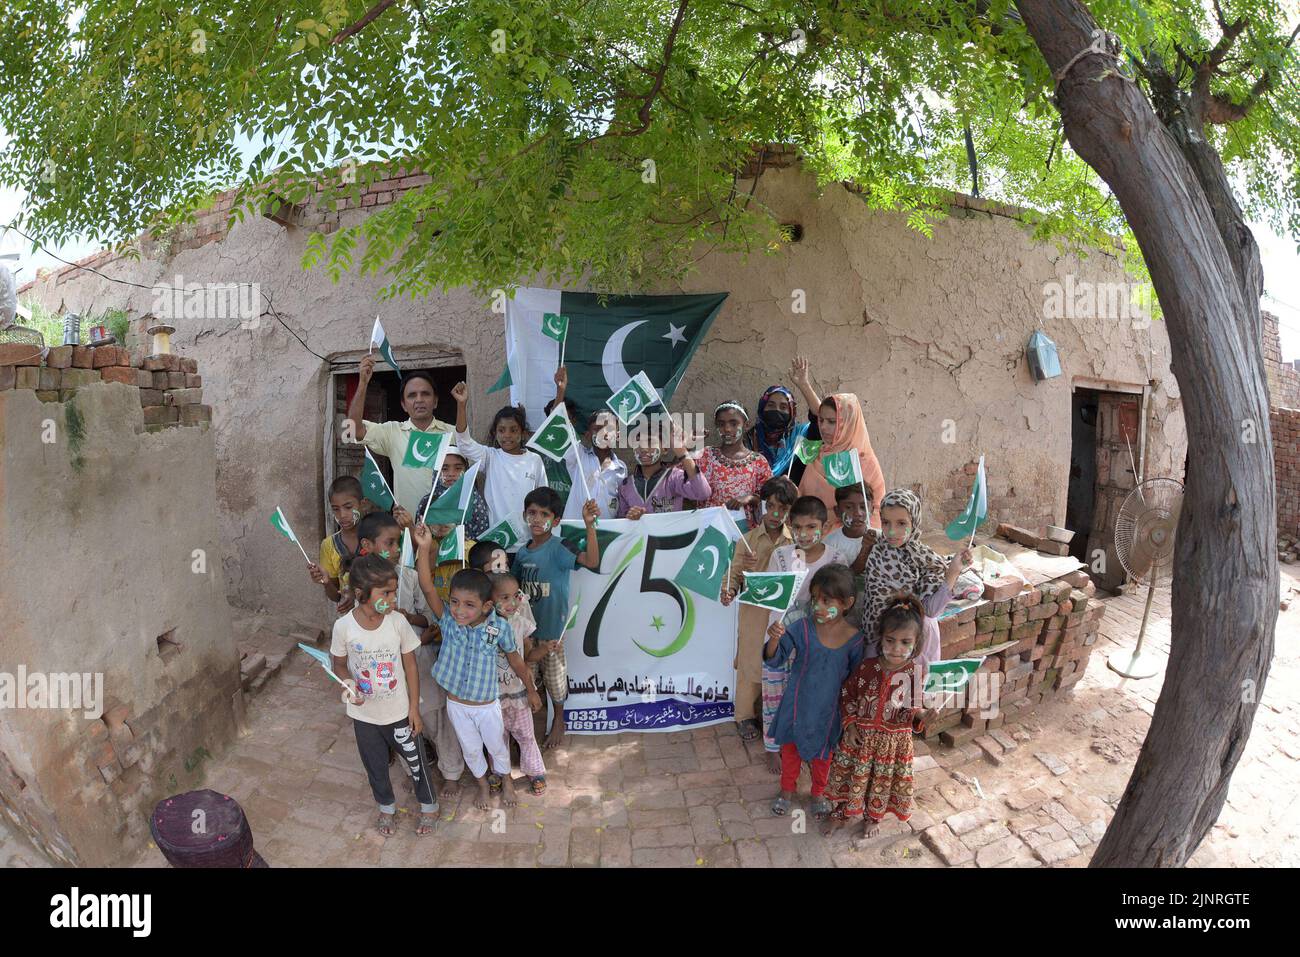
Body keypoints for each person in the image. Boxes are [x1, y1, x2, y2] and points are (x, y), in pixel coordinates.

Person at [411, 535, 538, 811]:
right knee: (470, 749)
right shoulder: (449, 621)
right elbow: (427, 586)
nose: (458, 610)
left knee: (497, 747)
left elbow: (516, 661)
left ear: (486, 607)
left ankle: (505, 782)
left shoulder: (499, 629)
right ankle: (482, 785)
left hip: (487, 706)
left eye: (469, 605)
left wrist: (530, 688)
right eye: (455, 602)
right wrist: (423, 548)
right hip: (456, 704)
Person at [329, 555, 438, 837]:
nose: (392, 599)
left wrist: (414, 708)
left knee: (417, 764)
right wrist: (348, 684)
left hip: (400, 712)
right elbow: (338, 664)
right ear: (360, 594)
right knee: (375, 765)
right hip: (363, 716)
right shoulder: (343, 627)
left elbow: (410, 665)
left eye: (393, 591)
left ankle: (429, 806)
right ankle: (386, 807)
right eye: (386, 593)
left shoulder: (397, 622)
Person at [823, 593, 935, 842]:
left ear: (915, 645)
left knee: (880, 784)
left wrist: (926, 714)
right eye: (890, 640)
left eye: (905, 642)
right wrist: (850, 726)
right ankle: (841, 812)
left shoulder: (914, 674)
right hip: (859, 741)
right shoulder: (867, 668)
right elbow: (847, 694)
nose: (897, 648)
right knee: (850, 778)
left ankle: (872, 818)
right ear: (880, 639)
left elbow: (913, 708)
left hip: (891, 747)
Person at [758, 495, 857, 770]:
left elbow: (840, 596)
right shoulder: (781, 556)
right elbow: (770, 595)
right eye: (798, 527)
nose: (804, 534)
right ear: (790, 526)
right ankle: (771, 745)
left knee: (804, 695)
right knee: (775, 692)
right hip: (780, 632)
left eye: (812, 527)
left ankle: (804, 743)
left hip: (815, 640)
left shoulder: (836, 558)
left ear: (824, 527)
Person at [763, 564, 866, 818]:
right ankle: (786, 791)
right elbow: (774, 658)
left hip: (828, 712)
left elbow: (854, 680)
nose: (818, 606)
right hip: (797, 705)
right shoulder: (801, 628)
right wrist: (774, 639)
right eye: (815, 599)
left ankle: (818, 793)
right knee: (790, 752)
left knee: (823, 756)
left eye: (826, 600)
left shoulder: (856, 640)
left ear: (847, 603)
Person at [512, 487, 603, 749]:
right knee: (527, 678)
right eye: (532, 513)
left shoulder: (560, 546)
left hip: (552, 632)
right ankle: (526, 728)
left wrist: (590, 526)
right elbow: (514, 589)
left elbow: (592, 560)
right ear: (524, 515)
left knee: (555, 681)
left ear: (556, 520)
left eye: (544, 514)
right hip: (527, 633)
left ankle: (559, 720)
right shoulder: (522, 552)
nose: (537, 519)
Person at [720, 476, 797, 743]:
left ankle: (772, 711)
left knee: (779, 662)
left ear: (789, 511)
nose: (775, 514)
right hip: (754, 613)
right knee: (751, 661)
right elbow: (734, 573)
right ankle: (743, 715)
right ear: (763, 505)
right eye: (771, 506)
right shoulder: (748, 539)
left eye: (783, 509)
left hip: (782, 615)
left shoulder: (794, 541)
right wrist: (729, 590)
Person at [859, 489, 972, 666]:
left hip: (915, 646)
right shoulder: (878, 554)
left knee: (912, 690)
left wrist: (953, 572)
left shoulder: (925, 558)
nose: (891, 531)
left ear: (915, 522)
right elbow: (873, 610)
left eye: (901, 523)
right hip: (880, 644)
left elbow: (931, 610)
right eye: (886, 523)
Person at [347, 355, 453, 515]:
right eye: (412, 395)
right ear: (403, 405)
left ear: (436, 401)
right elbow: (353, 429)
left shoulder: (453, 434)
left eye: (425, 394)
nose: (419, 400)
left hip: (447, 527)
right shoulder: (392, 432)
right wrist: (362, 383)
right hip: (408, 528)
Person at [789, 357, 886, 529]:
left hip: (850, 541)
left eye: (832, 422)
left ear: (847, 424)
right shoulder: (816, 453)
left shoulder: (864, 462)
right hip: (809, 536)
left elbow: (875, 512)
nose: (824, 427)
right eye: (821, 421)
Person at [451, 383, 547, 529]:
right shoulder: (490, 457)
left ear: (522, 434)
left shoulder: (535, 460)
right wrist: (461, 404)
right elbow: (464, 443)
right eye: (501, 430)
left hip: (530, 539)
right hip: (498, 538)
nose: (507, 435)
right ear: (495, 434)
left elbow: (544, 498)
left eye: (513, 430)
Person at [488, 572, 548, 795]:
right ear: (489, 600)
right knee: (496, 738)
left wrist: (532, 691)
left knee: (526, 735)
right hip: (492, 697)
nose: (512, 603)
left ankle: (535, 771)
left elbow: (528, 658)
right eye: (504, 597)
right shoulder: (482, 627)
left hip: (519, 692)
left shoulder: (521, 623)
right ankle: (498, 772)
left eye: (516, 595)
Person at [550, 368, 627, 521]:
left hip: (606, 534)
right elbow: (557, 424)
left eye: (609, 428)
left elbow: (622, 504)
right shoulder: (578, 456)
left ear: (618, 436)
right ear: (587, 434)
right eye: (597, 429)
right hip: (576, 531)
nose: (604, 433)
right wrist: (561, 391)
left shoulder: (622, 469)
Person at [696, 401, 773, 528]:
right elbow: (673, 480)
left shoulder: (759, 462)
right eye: (721, 424)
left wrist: (751, 498)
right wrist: (688, 446)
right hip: (708, 533)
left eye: (733, 423)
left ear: (746, 425)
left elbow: (771, 505)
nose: (727, 429)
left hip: (744, 536)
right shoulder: (704, 455)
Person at [616, 421, 710, 518]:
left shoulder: (674, 477)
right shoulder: (625, 485)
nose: (643, 449)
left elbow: (703, 493)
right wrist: (630, 516)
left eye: (650, 442)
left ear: (664, 449)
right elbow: (621, 520)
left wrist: (682, 452)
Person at [308, 475, 365, 614]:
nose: (342, 514)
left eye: (348, 507)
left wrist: (357, 596)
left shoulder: (377, 537)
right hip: (349, 622)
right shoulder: (328, 546)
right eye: (336, 509)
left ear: (362, 504)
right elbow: (336, 596)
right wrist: (326, 582)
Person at [823, 485, 877, 623]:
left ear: (872, 510)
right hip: (846, 613)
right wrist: (865, 549)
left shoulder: (881, 539)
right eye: (849, 507)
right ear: (837, 511)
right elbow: (840, 581)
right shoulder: (830, 544)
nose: (858, 513)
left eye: (863, 507)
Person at [411, 448, 491, 540]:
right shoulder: (427, 501)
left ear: (466, 470)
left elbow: (482, 536)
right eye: (444, 469)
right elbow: (419, 534)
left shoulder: (474, 500)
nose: (451, 474)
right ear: (436, 471)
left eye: (458, 468)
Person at [745, 384, 811, 483]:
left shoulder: (800, 435)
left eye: (783, 407)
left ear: (792, 411)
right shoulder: (750, 438)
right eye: (771, 405)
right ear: (762, 407)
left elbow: (818, 418)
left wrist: (804, 383)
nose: (777, 410)